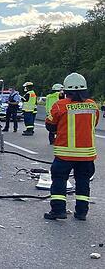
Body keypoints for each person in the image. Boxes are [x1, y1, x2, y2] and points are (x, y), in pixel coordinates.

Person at [44, 73, 99, 221]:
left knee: (59, 181)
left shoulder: (60, 105)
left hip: (64, 154)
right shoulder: (93, 105)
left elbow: (50, 125)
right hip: (86, 155)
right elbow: (94, 124)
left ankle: (58, 210)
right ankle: (81, 212)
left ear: (66, 90)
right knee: (83, 182)